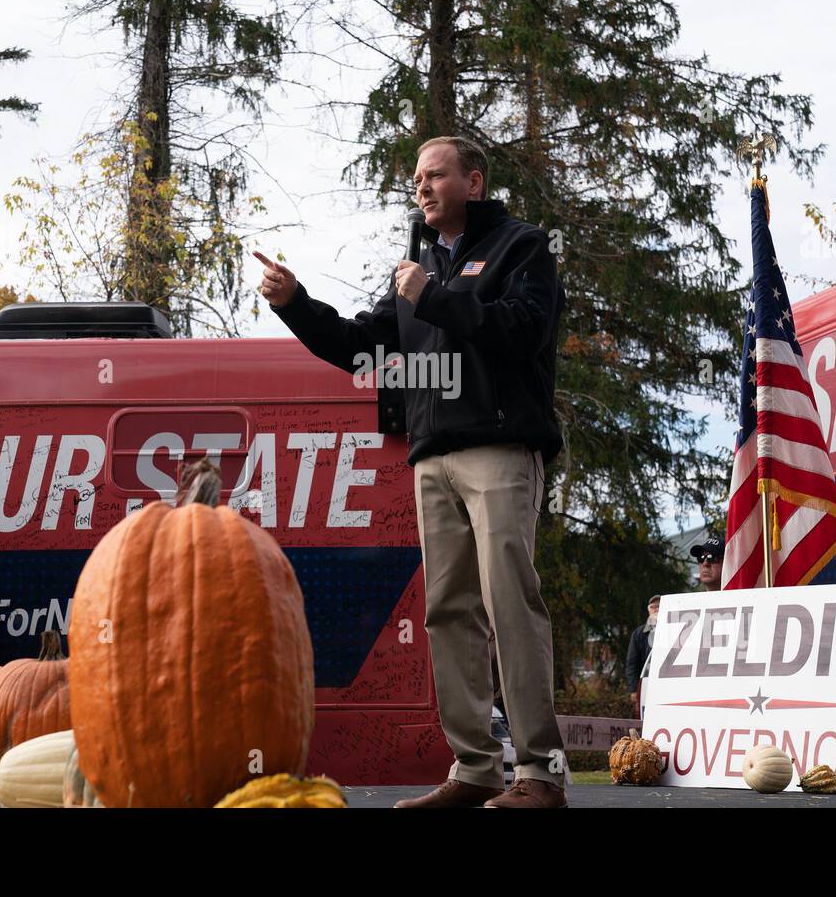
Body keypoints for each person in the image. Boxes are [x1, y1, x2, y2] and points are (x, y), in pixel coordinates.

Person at [257, 135, 568, 809]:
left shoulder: (523, 247)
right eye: (417, 179)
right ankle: (476, 769)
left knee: (509, 602)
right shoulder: (415, 267)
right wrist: (295, 303)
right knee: (447, 613)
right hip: (430, 455)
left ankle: (540, 774)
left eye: (435, 175)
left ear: (473, 183)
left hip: (500, 447)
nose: (422, 188)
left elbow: (522, 330)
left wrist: (431, 298)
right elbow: (361, 348)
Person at [624, 594, 660, 716]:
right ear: (648, 610)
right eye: (652, 607)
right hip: (645, 685)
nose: (655, 609)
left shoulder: (673, 630)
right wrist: (634, 689)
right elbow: (631, 664)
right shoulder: (639, 634)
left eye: (659, 607)